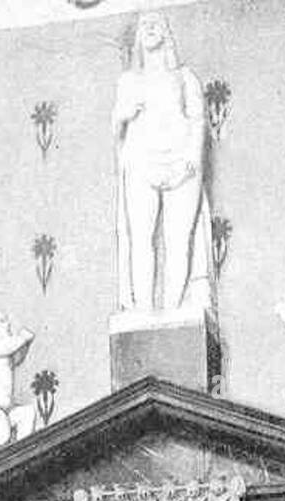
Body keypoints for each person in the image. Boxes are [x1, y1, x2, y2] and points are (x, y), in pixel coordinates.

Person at [114, 9, 213, 313]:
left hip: (182, 163)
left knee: (178, 238)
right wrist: (124, 113)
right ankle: (143, 311)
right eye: (144, 24)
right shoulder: (129, 80)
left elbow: (198, 121)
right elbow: (116, 125)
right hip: (141, 161)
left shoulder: (185, 78)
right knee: (140, 237)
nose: (150, 27)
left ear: (167, 33)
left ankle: (173, 311)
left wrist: (191, 158)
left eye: (157, 23)